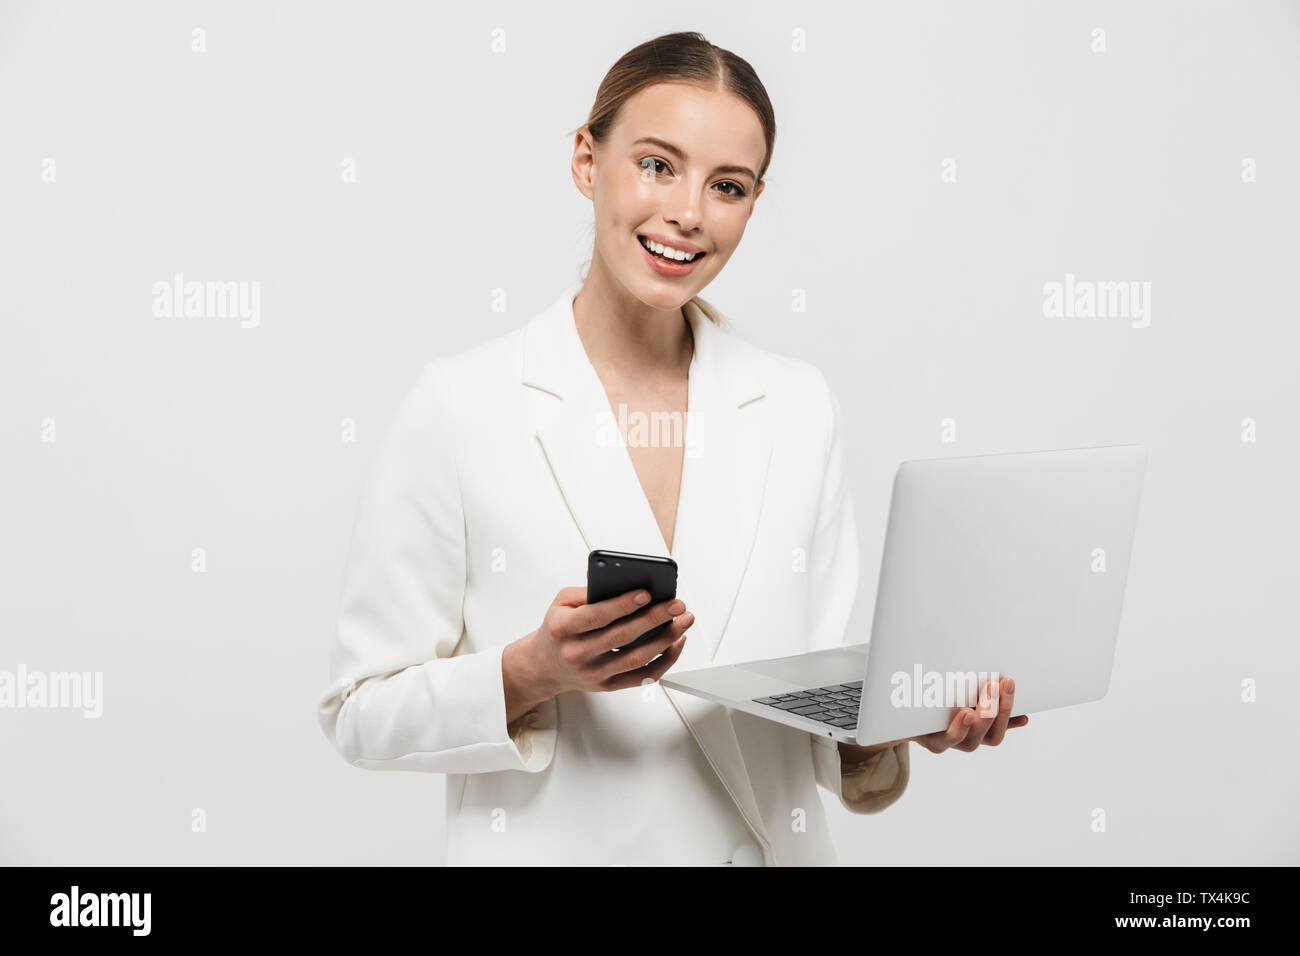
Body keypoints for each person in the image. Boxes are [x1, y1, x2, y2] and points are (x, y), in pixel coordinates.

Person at [317, 30, 1026, 866]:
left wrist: (897, 722)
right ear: (587, 159)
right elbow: (358, 711)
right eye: (657, 164)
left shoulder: (798, 407)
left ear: (754, 203)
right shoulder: (460, 406)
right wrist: (530, 672)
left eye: (725, 185)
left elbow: (811, 704)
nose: (688, 212)